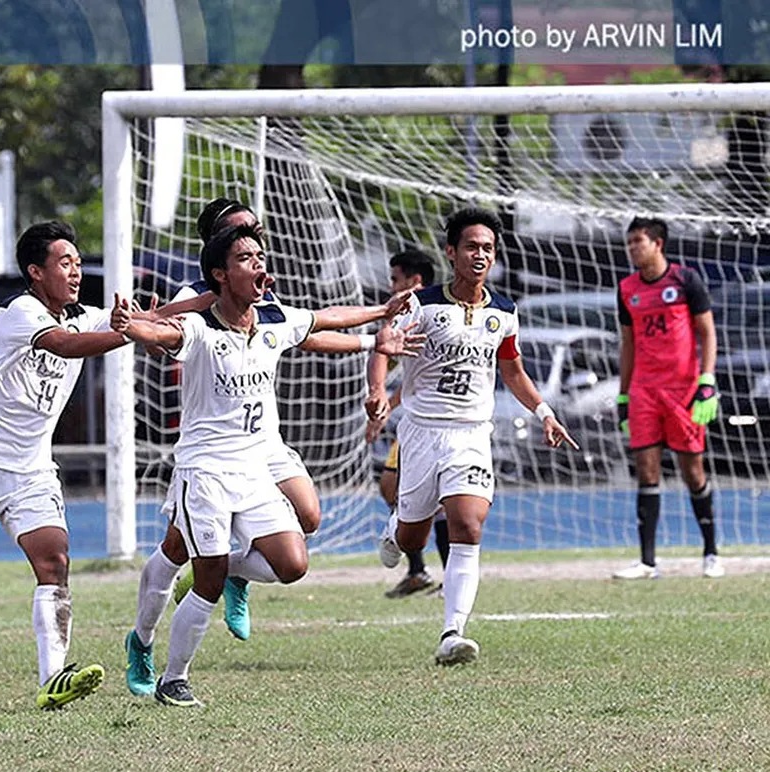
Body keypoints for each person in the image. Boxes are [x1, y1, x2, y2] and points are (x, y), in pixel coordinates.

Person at [116, 223, 420, 707]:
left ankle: (226, 579)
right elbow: (159, 331)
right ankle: (173, 679)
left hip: (257, 469)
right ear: (219, 274)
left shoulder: (273, 322)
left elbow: (323, 319)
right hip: (206, 473)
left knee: (292, 564)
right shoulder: (200, 327)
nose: (259, 264)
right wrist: (130, 325)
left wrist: (380, 316)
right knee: (206, 577)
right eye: (246, 258)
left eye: (261, 255)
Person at [0, 220, 156, 711]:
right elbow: (67, 346)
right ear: (35, 272)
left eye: (76, 262)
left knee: (55, 562)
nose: (74, 273)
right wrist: (126, 333)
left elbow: (154, 317)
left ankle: (54, 679)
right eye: (64, 263)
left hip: (31, 471)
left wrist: (206, 305)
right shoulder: (18, 314)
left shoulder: (80, 315)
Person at [377, 207, 578, 666]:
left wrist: (544, 411)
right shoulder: (420, 304)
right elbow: (384, 347)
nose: (480, 255)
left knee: (468, 525)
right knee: (412, 538)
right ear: (451, 252)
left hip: (471, 435)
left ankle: (453, 632)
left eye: (487, 247)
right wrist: (376, 390)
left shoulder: (505, 312)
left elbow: (512, 370)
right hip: (423, 434)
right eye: (471, 246)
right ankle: (395, 528)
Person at [612, 217, 722, 580]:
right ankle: (647, 561)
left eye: (638, 241)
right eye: (629, 243)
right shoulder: (627, 288)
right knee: (646, 469)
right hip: (644, 390)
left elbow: (707, 333)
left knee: (693, 471)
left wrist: (707, 381)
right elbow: (628, 344)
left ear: (658, 243)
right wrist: (624, 395)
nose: (632, 248)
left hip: (683, 390)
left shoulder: (685, 280)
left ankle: (711, 552)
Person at [365, 250, 450, 598]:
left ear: (414, 282)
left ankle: (444, 574)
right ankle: (418, 570)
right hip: (417, 420)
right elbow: (389, 356)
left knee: (445, 502)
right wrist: (384, 398)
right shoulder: (408, 315)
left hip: (447, 422)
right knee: (391, 486)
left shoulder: (430, 311)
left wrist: (384, 396)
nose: (391, 286)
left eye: (396, 279)